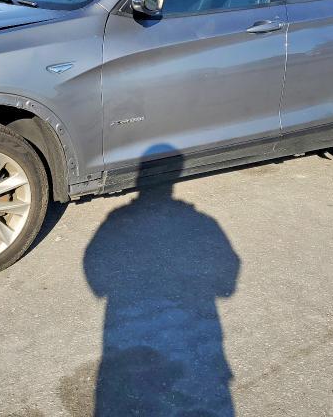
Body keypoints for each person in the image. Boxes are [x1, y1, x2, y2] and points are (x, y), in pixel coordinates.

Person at [84, 145, 241, 416]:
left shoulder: (117, 220)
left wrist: (110, 288)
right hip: (193, 351)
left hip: (126, 340)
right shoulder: (203, 223)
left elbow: (94, 266)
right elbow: (228, 279)